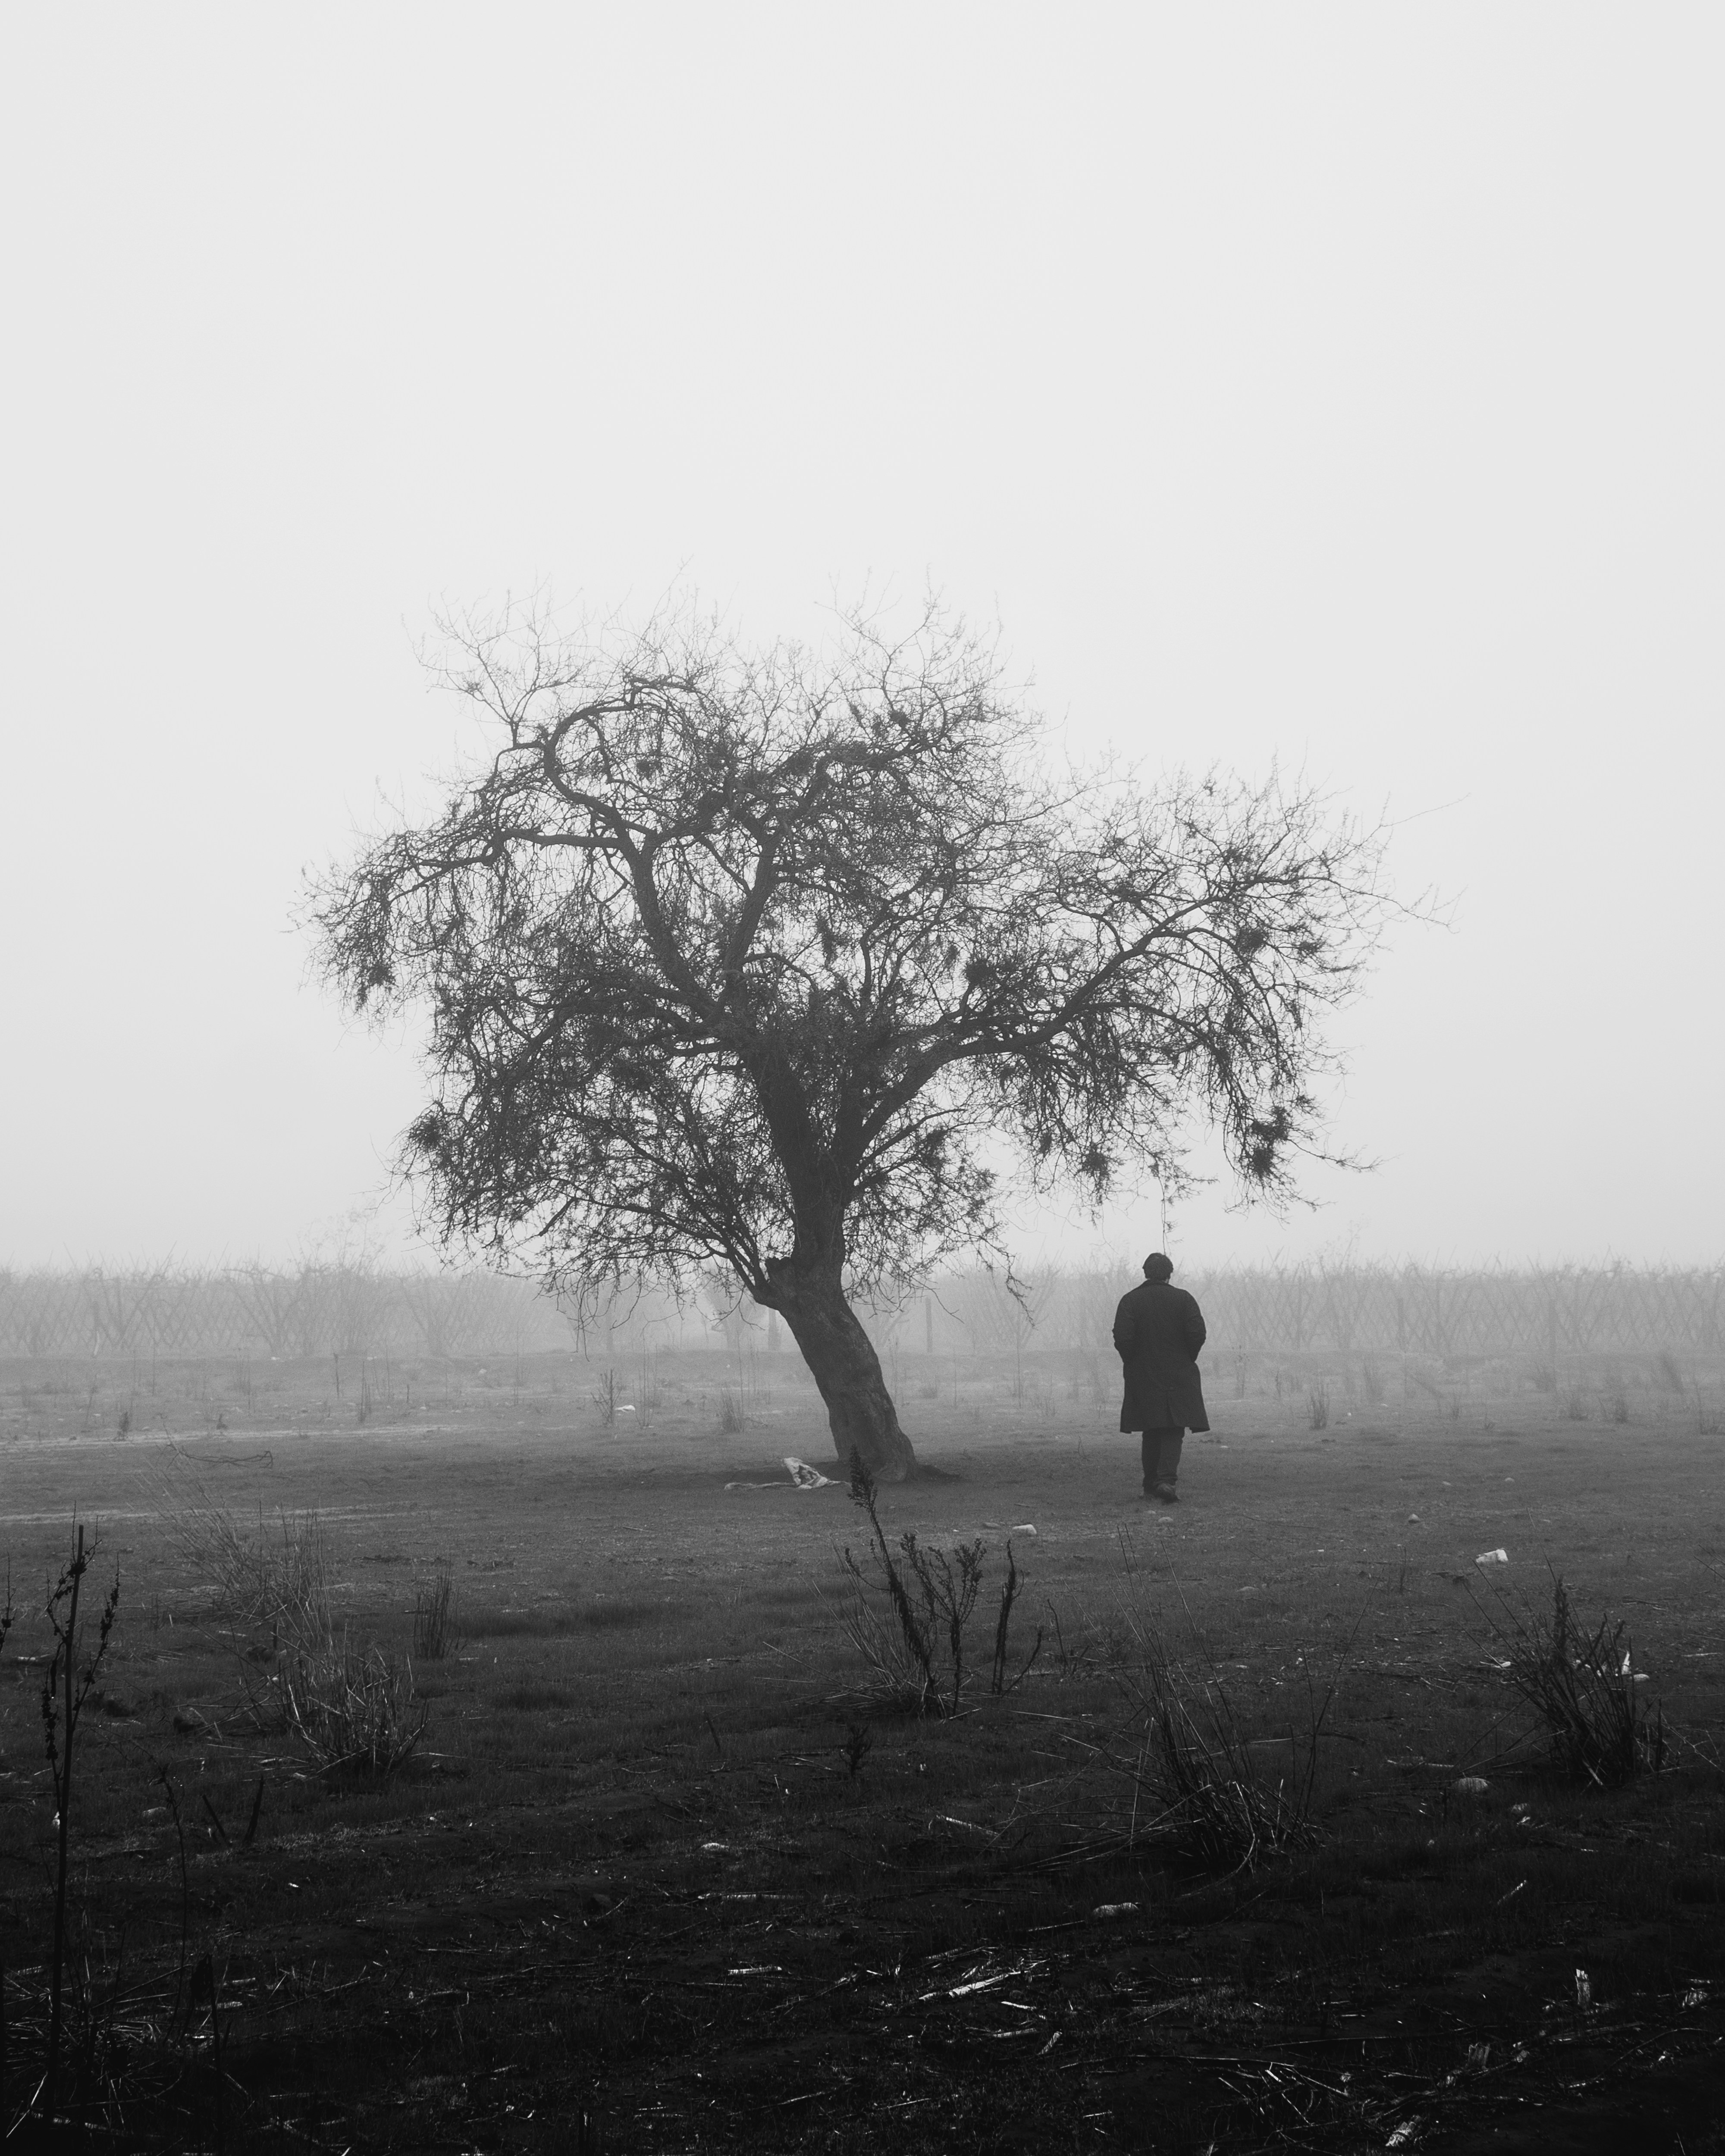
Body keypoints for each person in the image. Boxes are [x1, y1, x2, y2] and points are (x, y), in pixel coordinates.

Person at [1113, 1253, 1209, 1503]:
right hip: (1179, 1373)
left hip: (1143, 1374)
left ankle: (1150, 1484)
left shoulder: (1130, 1301)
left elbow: (1123, 1338)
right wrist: (1187, 1357)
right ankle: (1166, 1481)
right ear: (1169, 1274)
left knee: (1151, 1428)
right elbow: (1198, 1333)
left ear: (1145, 1273)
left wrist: (1133, 1362)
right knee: (1173, 1429)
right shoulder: (1184, 1299)